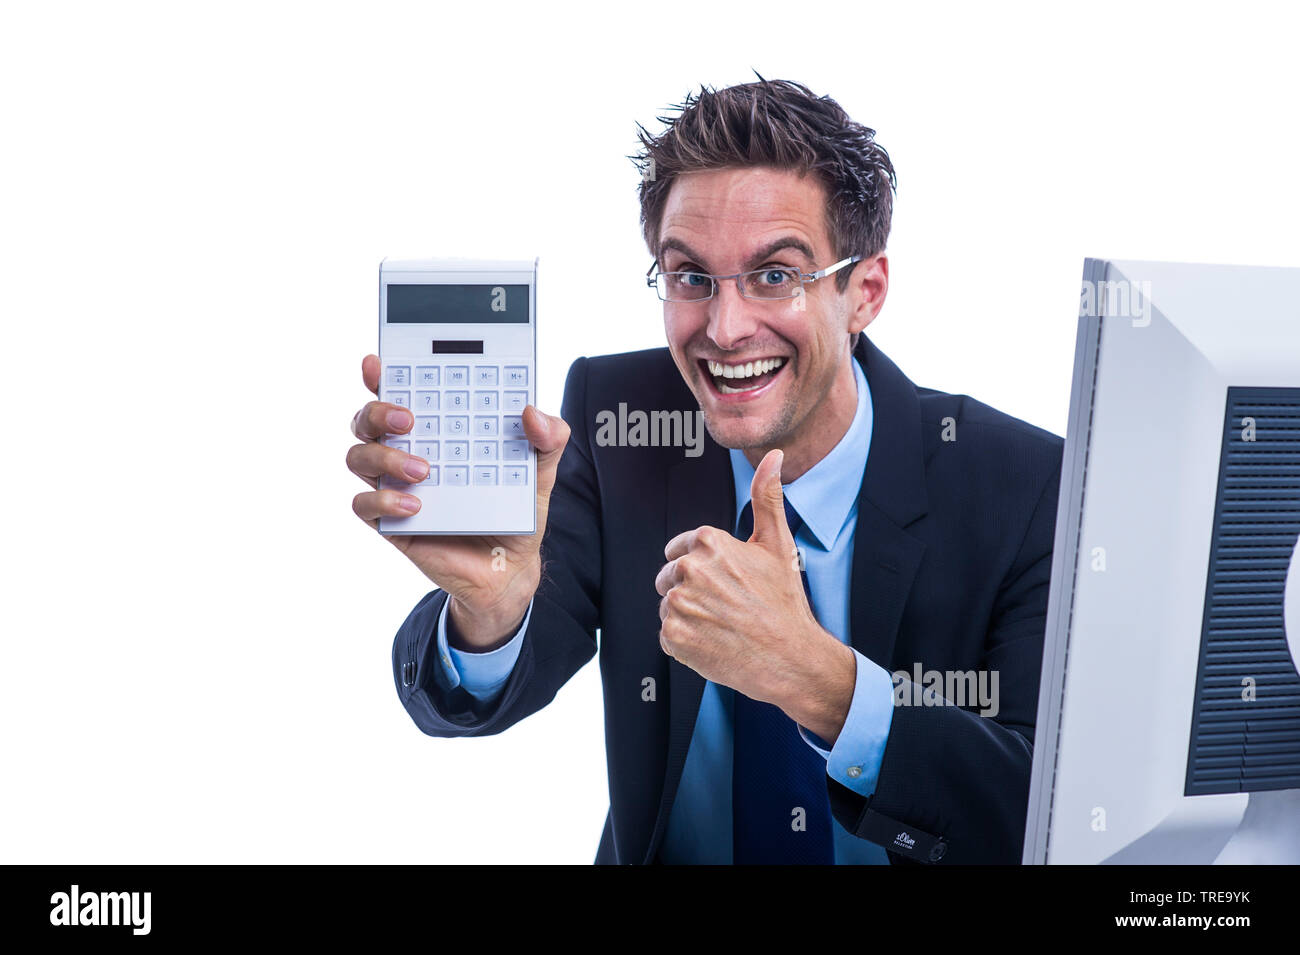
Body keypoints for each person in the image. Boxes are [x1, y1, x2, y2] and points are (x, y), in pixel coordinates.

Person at [347, 77, 1064, 864]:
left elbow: (1038, 810)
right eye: (691, 276)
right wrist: (490, 606)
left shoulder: (1024, 484)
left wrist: (820, 682)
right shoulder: (620, 419)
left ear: (865, 292)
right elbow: (483, 689)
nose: (724, 329)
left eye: (775, 275)